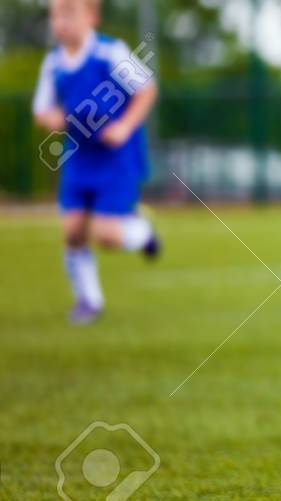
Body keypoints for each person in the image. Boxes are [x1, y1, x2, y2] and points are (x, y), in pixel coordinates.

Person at [33, 0, 160, 325]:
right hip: (77, 156)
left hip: (115, 158)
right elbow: (42, 110)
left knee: (105, 236)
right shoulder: (53, 63)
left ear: (92, 16)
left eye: (69, 14)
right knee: (73, 230)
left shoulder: (109, 52)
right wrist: (53, 119)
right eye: (56, 16)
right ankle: (89, 300)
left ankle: (142, 232)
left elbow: (146, 90)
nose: (62, 23)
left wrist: (124, 126)